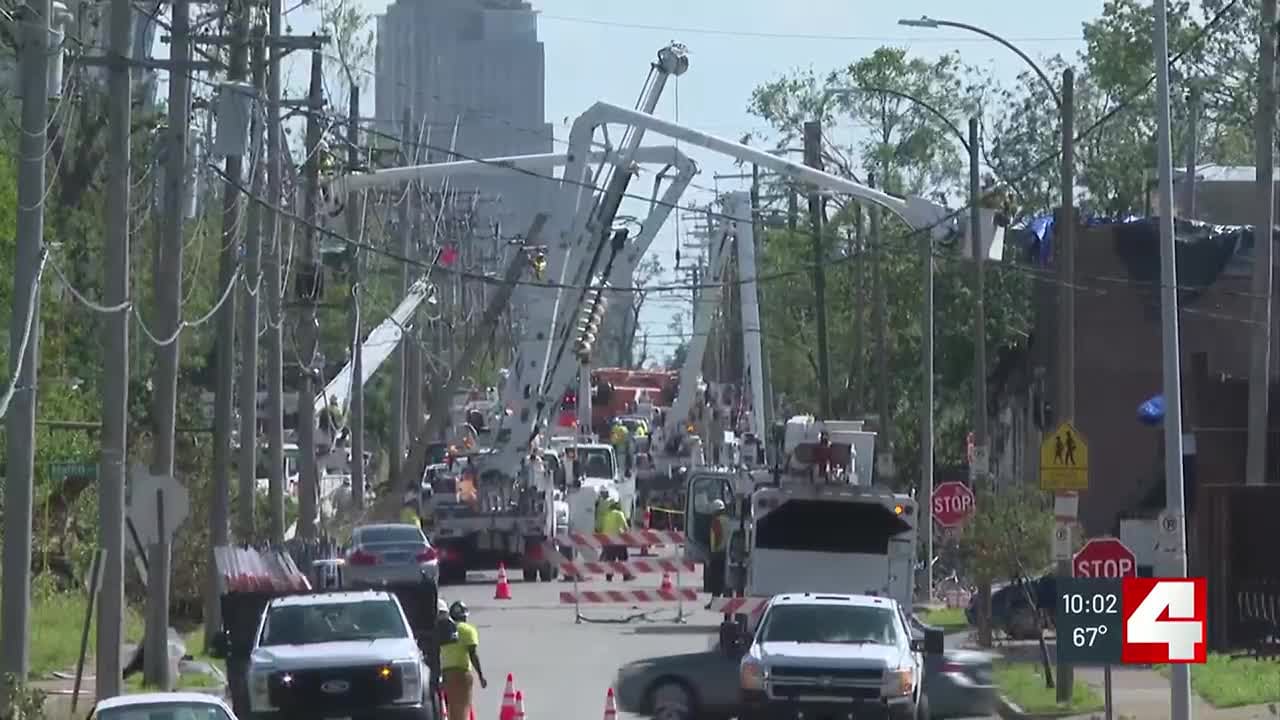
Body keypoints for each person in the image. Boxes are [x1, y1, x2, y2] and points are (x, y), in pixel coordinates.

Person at [440, 601, 487, 720]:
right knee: (463, 710)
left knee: (451, 710)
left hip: (446, 675)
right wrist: (480, 676)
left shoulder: (444, 630)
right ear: (465, 616)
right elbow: (473, 654)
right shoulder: (468, 630)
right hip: (462, 674)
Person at [705, 499, 733, 608]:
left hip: (718, 554)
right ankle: (726, 602)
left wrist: (712, 553)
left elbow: (715, 539)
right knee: (725, 579)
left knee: (715, 580)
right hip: (729, 552)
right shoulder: (729, 520)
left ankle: (714, 602)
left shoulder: (716, 521)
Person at [599, 500, 635, 582]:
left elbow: (602, 528)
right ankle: (626, 576)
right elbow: (625, 527)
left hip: (608, 540)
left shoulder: (606, 515)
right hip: (618, 539)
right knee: (623, 558)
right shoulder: (619, 513)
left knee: (610, 559)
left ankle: (609, 576)